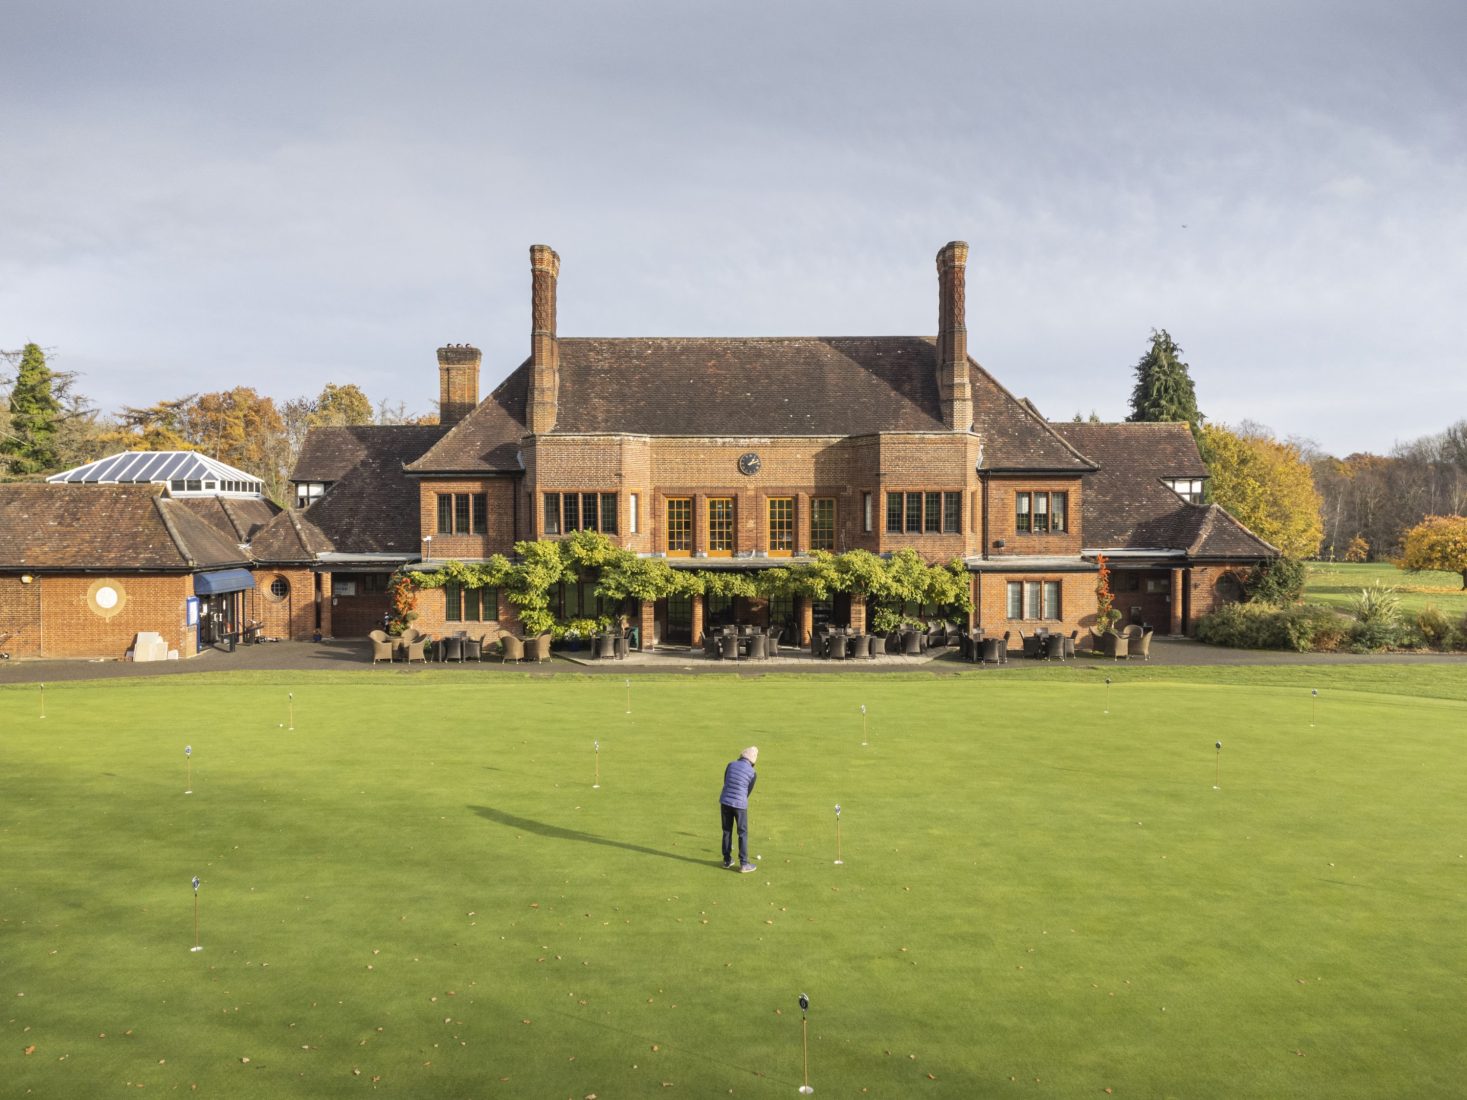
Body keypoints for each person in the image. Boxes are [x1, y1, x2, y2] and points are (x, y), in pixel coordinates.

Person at [719, 746, 759, 872]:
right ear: (752, 762)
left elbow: (726, 781)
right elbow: (748, 791)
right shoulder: (753, 773)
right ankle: (744, 864)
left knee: (726, 830)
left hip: (725, 801)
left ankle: (726, 860)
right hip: (740, 804)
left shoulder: (731, 765)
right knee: (742, 833)